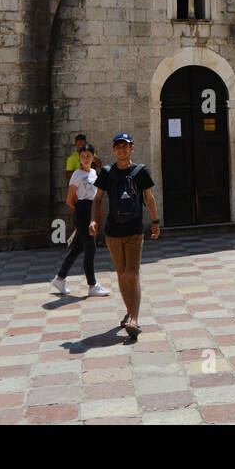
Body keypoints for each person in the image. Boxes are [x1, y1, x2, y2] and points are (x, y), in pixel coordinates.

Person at [89, 133, 160, 341]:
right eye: (118, 146)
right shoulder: (107, 173)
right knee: (121, 273)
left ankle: (134, 319)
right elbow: (98, 198)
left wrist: (155, 222)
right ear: (114, 150)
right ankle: (129, 313)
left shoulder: (141, 172)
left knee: (132, 273)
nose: (122, 149)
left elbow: (150, 198)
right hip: (112, 231)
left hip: (135, 230)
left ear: (132, 148)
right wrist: (93, 220)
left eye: (125, 146)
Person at [52, 144, 110, 298]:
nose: (85, 158)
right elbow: (70, 200)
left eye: (88, 155)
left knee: (78, 248)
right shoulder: (77, 174)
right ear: (79, 157)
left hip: (91, 211)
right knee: (90, 248)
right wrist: (80, 212)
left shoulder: (94, 173)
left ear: (93, 157)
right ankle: (92, 285)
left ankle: (60, 278)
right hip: (83, 211)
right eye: (83, 155)